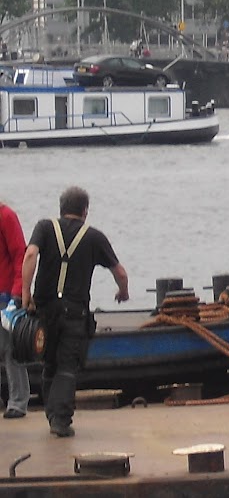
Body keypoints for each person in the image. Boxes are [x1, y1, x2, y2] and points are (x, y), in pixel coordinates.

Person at [20, 186, 130, 438]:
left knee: (49, 362)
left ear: (61, 209)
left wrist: (26, 294)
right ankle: (60, 420)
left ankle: (51, 415)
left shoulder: (44, 228)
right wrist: (122, 292)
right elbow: (120, 273)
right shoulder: (94, 237)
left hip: (45, 310)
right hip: (74, 312)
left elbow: (30, 256)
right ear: (85, 211)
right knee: (67, 367)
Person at [0, 197, 29, 419]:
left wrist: (18, 291)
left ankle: (18, 402)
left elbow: (21, 254)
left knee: (12, 349)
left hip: (6, 295)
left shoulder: (6, 216)